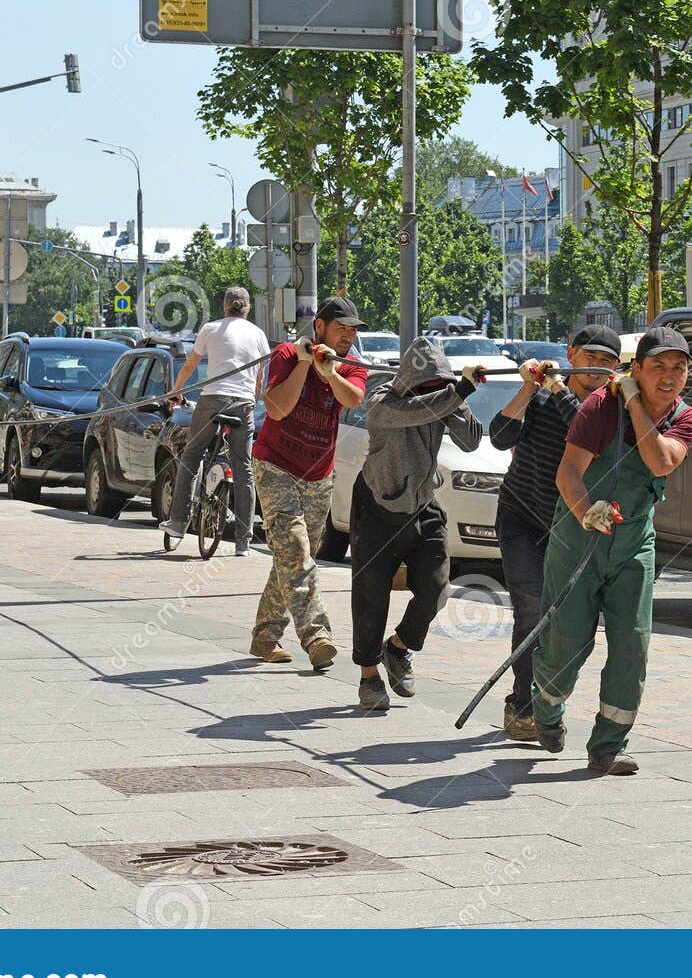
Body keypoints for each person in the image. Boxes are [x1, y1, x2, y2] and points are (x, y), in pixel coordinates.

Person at [530, 327, 692, 776]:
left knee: (632, 645)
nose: (668, 377)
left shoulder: (685, 418)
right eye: (657, 366)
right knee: (567, 642)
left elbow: (661, 461)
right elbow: (568, 473)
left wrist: (634, 404)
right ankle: (546, 708)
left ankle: (608, 744)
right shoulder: (597, 408)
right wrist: (587, 511)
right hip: (578, 535)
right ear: (636, 369)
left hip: (634, 543)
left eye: (678, 368)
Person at [489, 325, 620, 741]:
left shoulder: (610, 409)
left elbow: (582, 429)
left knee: (564, 619)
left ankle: (547, 700)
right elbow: (498, 436)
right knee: (530, 608)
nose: (596, 369)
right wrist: (529, 388)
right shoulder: (545, 395)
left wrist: (559, 387)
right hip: (521, 516)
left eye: (606, 362)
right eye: (589, 358)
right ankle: (522, 705)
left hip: (572, 526)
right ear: (572, 354)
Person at [349, 338, 485, 711]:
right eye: (426, 384)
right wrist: (453, 393)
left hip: (423, 504)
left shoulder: (444, 398)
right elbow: (414, 412)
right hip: (378, 506)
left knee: (438, 588)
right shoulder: (382, 403)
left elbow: (472, 441)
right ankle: (369, 675)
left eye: (437, 385)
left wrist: (458, 397)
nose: (434, 392)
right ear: (408, 380)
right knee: (370, 593)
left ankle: (399, 647)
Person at [249, 298, 368, 670]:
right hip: (275, 465)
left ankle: (265, 636)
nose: (347, 337)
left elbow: (354, 398)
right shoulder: (286, 354)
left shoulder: (351, 365)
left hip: (318, 475)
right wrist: (303, 362)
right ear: (319, 327)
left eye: (352, 331)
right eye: (340, 329)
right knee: (296, 552)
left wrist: (330, 371)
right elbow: (276, 409)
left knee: (293, 556)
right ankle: (317, 635)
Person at [162, 286, 271, 557]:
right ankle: (243, 541)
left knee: (191, 456)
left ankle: (177, 523)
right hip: (243, 405)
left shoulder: (211, 329)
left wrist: (175, 392)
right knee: (244, 468)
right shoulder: (258, 335)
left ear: (224, 306)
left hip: (212, 400)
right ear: (247, 309)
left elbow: (189, 366)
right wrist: (251, 402)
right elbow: (259, 378)